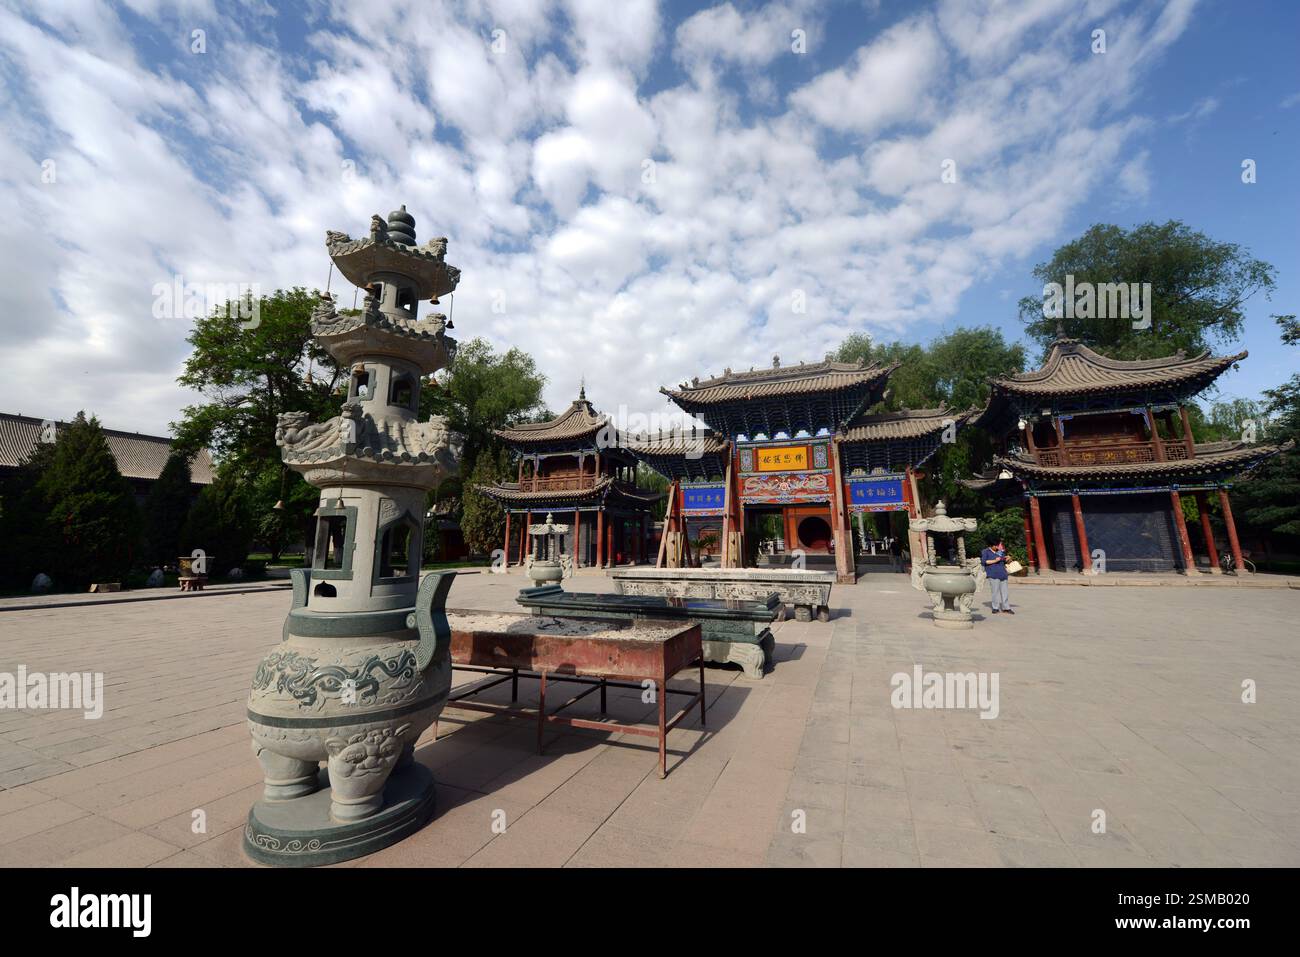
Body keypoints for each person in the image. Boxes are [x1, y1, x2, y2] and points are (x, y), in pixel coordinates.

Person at [981, 537, 1014, 615]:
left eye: (997, 545)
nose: (997, 547)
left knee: (1005, 592)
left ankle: (1006, 608)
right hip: (993, 574)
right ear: (991, 545)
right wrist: (995, 560)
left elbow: (1006, 562)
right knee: (995, 592)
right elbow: (984, 562)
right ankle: (995, 607)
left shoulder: (1000, 552)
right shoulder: (986, 551)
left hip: (1003, 573)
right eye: (995, 545)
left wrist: (1009, 559)